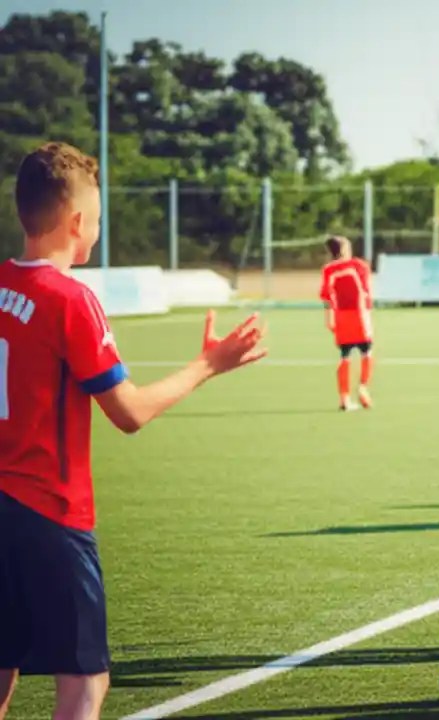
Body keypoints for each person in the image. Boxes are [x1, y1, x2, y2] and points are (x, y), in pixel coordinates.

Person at [0, 142, 265, 720]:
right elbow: (129, 412)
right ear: (77, 222)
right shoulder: (71, 299)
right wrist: (209, 365)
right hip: (51, 515)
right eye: (96, 218)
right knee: (83, 682)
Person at [318, 236, 374, 410]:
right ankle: (363, 387)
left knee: (345, 356)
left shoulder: (328, 270)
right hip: (359, 315)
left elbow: (326, 296)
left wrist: (328, 318)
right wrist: (368, 311)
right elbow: (366, 291)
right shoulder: (358, 266)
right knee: (367, 352)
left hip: (340, 317)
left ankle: (344, 397)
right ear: (343, 249)